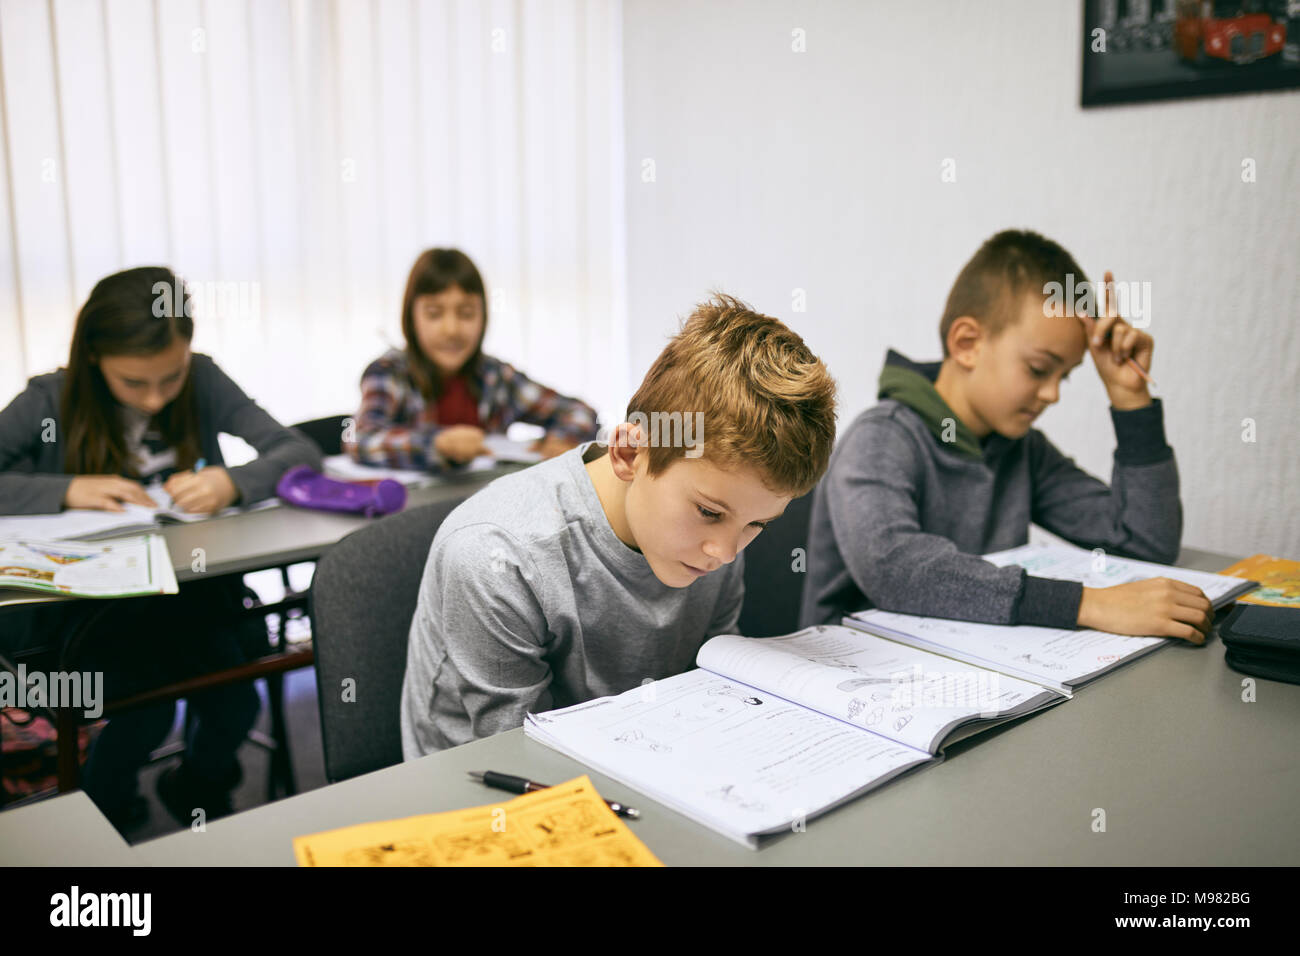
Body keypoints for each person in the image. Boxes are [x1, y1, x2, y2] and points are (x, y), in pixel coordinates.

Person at [400, 293, 838, 755]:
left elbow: (713, 690)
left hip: (643, 762)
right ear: (629, 453)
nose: (727, 553)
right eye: (709, 512)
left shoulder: (720, 526)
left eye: (758, 526)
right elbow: (514, 758)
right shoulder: (497, 557)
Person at [0, 266, 322, 829]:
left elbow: (295, 449)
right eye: (134, 383)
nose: (155, 399)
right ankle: (105, 811)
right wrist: (67, 489)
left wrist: (232, 482)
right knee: (139, 714)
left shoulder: (201, 379)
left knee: (234, 700)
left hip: (194, 595)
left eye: (169, 379)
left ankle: (195, 784)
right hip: (97, 613)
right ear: (93, 356)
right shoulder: (49, 399)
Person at [800, 229, 1212, 644]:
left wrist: (1130, 398)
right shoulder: (880, 438)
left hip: (980, 665)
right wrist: (1090, 604)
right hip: (858, 678)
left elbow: (1144, 541)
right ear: (967, 344)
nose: (1052, 394)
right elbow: (894, 570)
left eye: (1063, 377)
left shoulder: (1022, 449)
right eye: (1038, 369)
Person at [346, 248, 599, 470]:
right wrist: (437, 444)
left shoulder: (496, 377)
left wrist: (561, 440)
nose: (451, 329)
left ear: (483, 317)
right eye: (434, 314)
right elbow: (360, 439)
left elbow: (579, 412)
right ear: (411, 317)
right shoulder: (389, 373)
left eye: (466, 313)